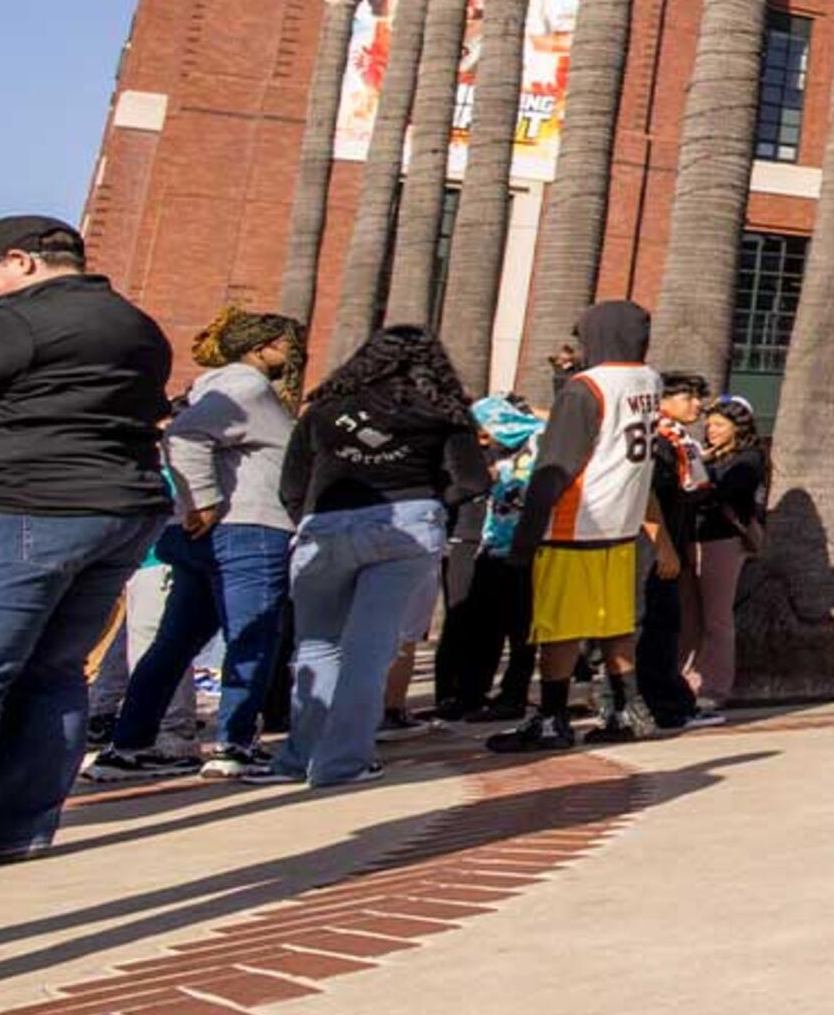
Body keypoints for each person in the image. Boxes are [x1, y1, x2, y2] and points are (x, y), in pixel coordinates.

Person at [0, 214, 176, 861]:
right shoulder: (138, 326)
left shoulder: (21, 318)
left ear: (20, 261)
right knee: (56, 670)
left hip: (30, 501)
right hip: (122, 507)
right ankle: (21, 828)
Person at [245, 325, 491, 787]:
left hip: (327, 526)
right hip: (406, 528)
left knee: (316, 646)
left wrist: (313, 516)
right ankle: (342, 764)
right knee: (369, 652)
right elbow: (475, 482)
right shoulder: (442, 412)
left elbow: (292, 484)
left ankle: (297, 758)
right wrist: (432, 499)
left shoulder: (324, 409)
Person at [87, 310, 302, 782]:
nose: (291, 353)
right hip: (248, 528)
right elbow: (184, 437)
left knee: (174, 643)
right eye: (285, 344)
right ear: (260, 347)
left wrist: (196, 506)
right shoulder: (246, 388)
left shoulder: (215, 386)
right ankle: (234, 744)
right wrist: (200, 501)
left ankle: (129, 747)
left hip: (212, 533)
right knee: (252, 636)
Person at [486, 302, 675, 752]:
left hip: (575, 521)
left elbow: (556, 465)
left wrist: (526, 537)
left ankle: (551, 718)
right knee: (615, 623)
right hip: (622, 520)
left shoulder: (585, 388)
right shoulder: (649, 381)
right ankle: (629, 709)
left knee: (559, 627)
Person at [436, 392, 545, 721]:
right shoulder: (493, 451)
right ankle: (470, 693)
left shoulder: (537, 442)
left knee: (521, 627)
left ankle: (513, 694)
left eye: (486, 428)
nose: (484, 437)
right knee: (482, 624)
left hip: (526, 546)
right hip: (490, 544)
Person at [681, 396, 767, 710]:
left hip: (723, 540)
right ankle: (685, 678)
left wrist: (700, 473)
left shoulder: (748, 458)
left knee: (716, 617)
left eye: (719, 424)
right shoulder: (709, 455)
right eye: (709, 424)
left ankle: (715, 686)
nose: (711, 429)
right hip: (694, 537)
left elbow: (726, 491)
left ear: (737, 426)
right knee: (690, 615)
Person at [635, 376, 711, 728]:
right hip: (651, 547)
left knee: (666, 622)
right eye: (688, 397)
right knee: (655, 624)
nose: (697, 406)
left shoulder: (681, 443)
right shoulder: (657, 440)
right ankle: (661, 705)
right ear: (663, 400)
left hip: (672, 542)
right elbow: (647, 498)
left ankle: (671, 700)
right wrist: (663, 546)